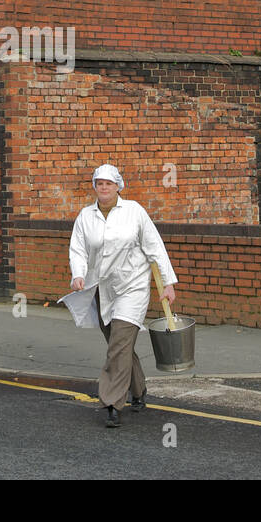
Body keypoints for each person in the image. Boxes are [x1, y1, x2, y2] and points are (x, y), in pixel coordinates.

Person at [69, 163, 178, 428]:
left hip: (133, 287)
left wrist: (167, 282)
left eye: (108, 183)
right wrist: (78, 274)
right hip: (101, 289)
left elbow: (155, 247)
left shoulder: (134, 212)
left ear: (118, 186)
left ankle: (111, 403)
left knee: (118, 343)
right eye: (99, 183)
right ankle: (139, 391)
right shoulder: (86, 216)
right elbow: (78, 249)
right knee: (120, 345)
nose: (103, 188)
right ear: (94, 187)